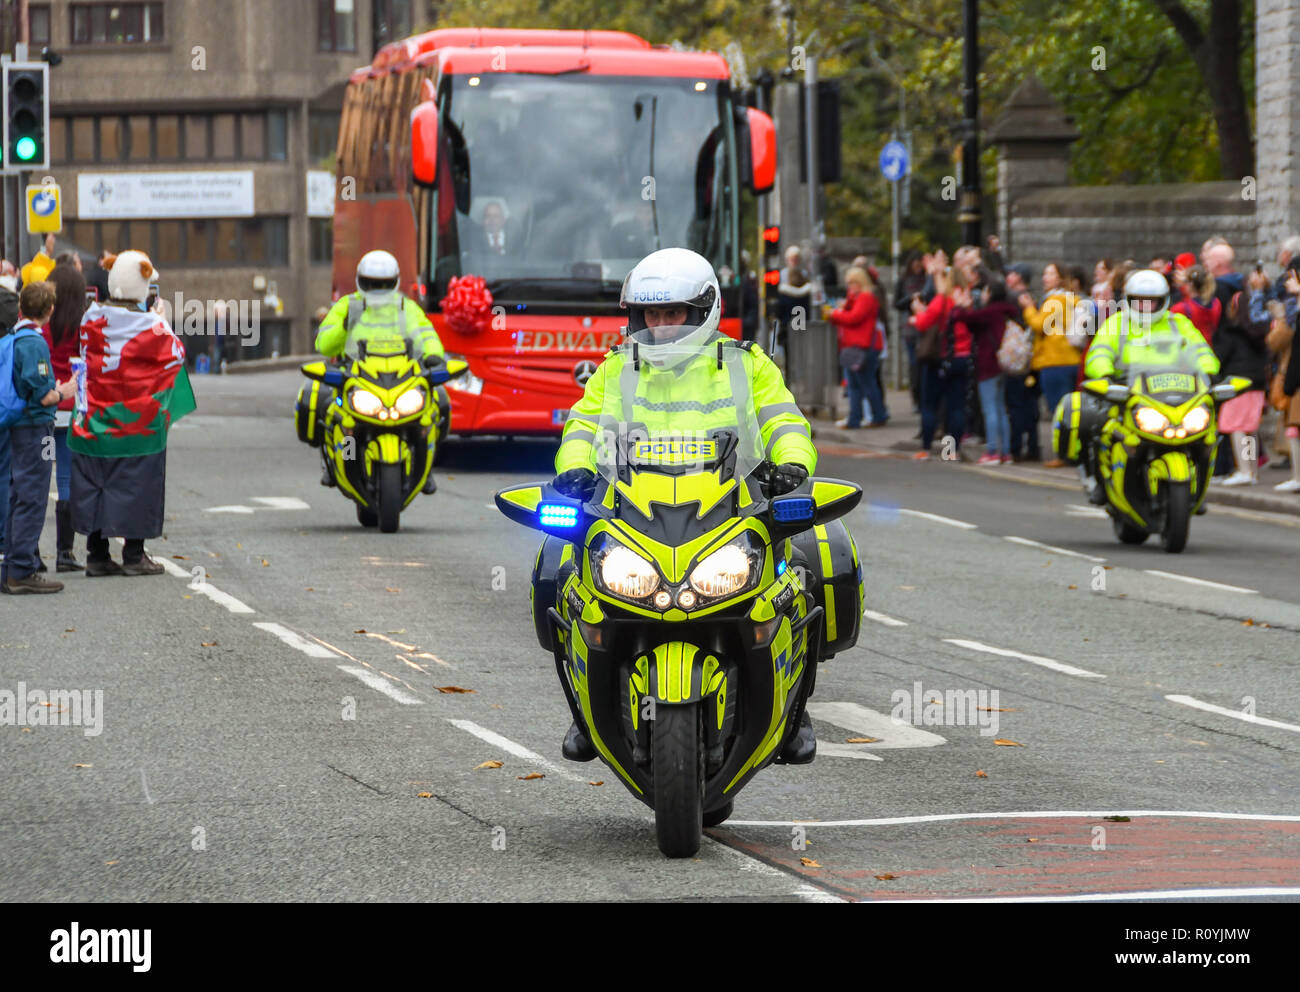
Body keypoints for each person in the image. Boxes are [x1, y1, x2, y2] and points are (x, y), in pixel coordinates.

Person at [551, 247, 819, 763]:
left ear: (702, 312)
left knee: (806, 571)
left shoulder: (746, 364)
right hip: (633, 510)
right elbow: (583, 424)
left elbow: (783, 418)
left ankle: (796, 710)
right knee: (560, 570)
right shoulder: (615, 368)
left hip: (731, 508)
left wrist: (792, 465)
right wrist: (575, 468)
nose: (662, 326)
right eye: (652, 314)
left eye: (673, 314)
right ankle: (585, 712)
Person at [69, 251, 195, 577]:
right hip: (136, 425)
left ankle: (96, 554)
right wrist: (163, 318)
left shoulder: (90, 318)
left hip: (94, 422)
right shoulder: (151, 325)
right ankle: (134, 554)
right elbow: (176, 355)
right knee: (137, 486)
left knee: (98, 483)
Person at [1079, 269, 1220, 501]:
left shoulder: (1178, 323)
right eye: (1139, 301)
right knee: (1102, 429)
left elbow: (1200, 349)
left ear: (1163, 300)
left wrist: (1208, 371)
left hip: (1176, 392)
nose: (1145, 306)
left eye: (1152, 301)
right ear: (1129, 301)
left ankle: (1197, 489)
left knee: (1206, 434)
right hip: (1127, 392)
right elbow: (1099, 352)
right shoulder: (1117, 323)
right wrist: (1104, 375)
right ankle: (1101, 484)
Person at [315, 250, 446, 491]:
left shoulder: (407, 307)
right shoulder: (348, 305)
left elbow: (425, 334)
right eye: (372, 284)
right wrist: (344, 326)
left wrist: (434, 356)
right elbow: (323, 343)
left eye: (384, 284)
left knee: (438, 403)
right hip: (357, 375)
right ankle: (332, 462)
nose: (378, 289)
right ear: (361, 281)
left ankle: (425, 468)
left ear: (394, 281)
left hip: (401, 376)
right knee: (325, 405)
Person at [2, 281, 76, 593]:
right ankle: (22, 569)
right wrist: (64, 390)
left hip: (18, 426)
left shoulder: (13, 337)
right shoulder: (35, 343)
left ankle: (11, 565)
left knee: (18, 491)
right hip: (37, 428)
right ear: (49, 310)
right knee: (34, 492)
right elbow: (43, 395)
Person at [42, 263, 89, 571]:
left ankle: (28, 551)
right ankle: (64, 553)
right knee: (67, 480)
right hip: (70, 408)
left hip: (45, 407)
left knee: (35, 479)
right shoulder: (81, 325)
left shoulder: (43, 324)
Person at [1019, 261, 1084, 468]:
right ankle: (1074, 451)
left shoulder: (1054, 300)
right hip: (1072, 359)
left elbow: (1040, 325)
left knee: (1059, 411)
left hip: (1054, 361)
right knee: (1072, 411)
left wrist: (1028, 308)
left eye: (1050, 274)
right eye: (1045, 273)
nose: (1045, 278)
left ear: (1060, 278)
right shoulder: (1073, 299)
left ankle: (1063, 454)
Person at [954, 276, 1021, 464]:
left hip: (988, 364)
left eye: (984, 291)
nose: (982, 295)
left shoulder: (990, 312)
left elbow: (965, 318)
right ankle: (1005, 452)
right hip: (1004, 363)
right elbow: (974, 325)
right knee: (1001, 409)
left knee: (990, 409)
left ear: (990, 293)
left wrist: (960, 305)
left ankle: (992, 451)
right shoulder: (1008, 312)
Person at [910, 262, 973, 461]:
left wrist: (918, 312)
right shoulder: (968, 301)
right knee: (956, 407)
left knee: (930, 404)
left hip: (940, 358)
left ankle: (926, 449)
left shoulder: (943, 300)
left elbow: (923, 323)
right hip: (963, 358)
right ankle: (951, 451)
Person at [1211, 292, 1269, 486]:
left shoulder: (1230, 333)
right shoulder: (1258, 333)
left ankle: (1243, 470)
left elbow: (1219, 359)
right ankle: (1251, 471)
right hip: (1257, 385)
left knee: (1236, 427)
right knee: (1250, 429)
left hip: (1238, 384)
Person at [829, 266, 886, 429]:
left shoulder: (866, 298)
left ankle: (878, 415)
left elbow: (854, 317)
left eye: (852, 284)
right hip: (854, 347)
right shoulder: (856, 298)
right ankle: (855, 418)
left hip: (864, 346)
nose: (850, 287)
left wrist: (836, 314)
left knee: (866, 383)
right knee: (854, 385)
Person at [1170, 265, 1221, 343]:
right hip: (1209, 349)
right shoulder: (1216, 303)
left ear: (1190, 284)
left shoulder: (1181, 308)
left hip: (1190, 349)